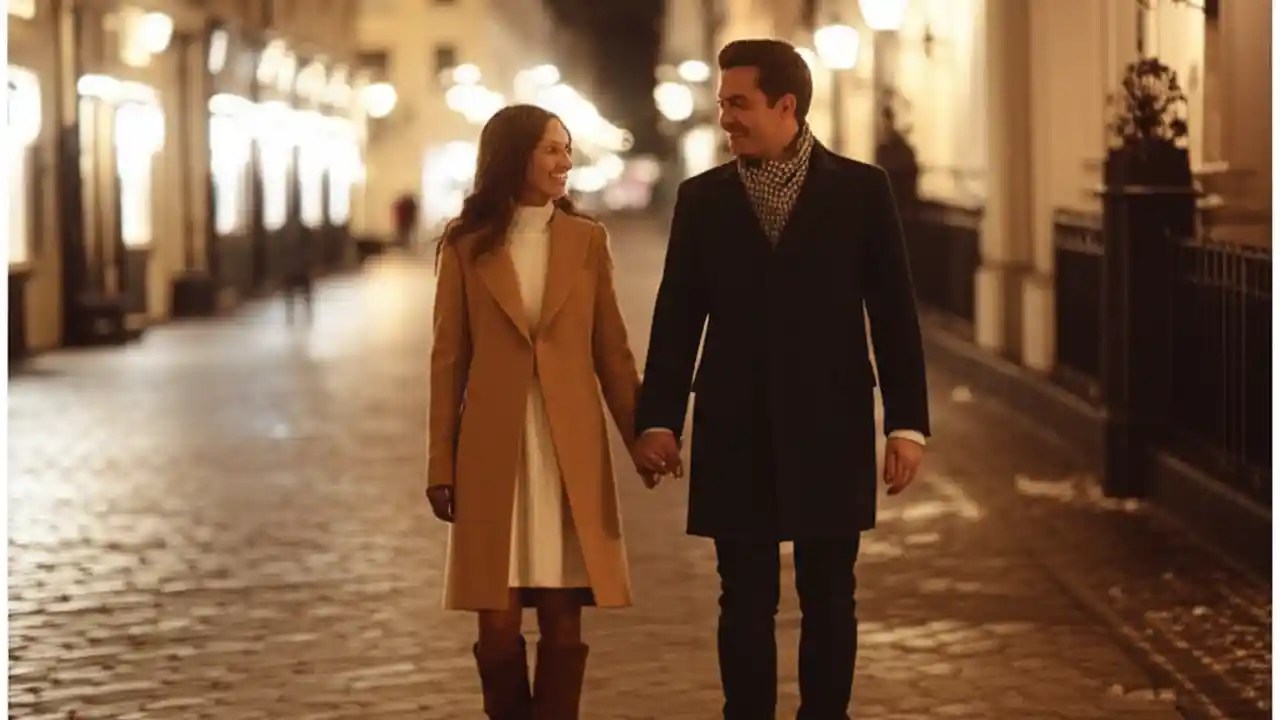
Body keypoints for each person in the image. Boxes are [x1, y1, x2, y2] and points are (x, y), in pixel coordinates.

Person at [630, 39, 931, 719]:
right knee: (743, 597)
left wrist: (907, 423)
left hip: (832, 424)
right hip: (734, 425)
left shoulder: (861, 191)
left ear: (786, 105)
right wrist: (659, 419)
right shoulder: (702, 199)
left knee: (831, 595)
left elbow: (893, 312)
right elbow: (677, 314)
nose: (725, 118)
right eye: (722, 104)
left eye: (738, 103)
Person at [426, 104, 651, 720]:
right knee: (496, 629)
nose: (564, 161)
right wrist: (438, 465)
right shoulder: (466, 246)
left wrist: (641, 437)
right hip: (492, 452)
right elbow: (448, 362)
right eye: (552, 149)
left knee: (563, 623)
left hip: (565, 453)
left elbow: (612, 351)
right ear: (514, 156)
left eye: (567, 149)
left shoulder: (585, 241)